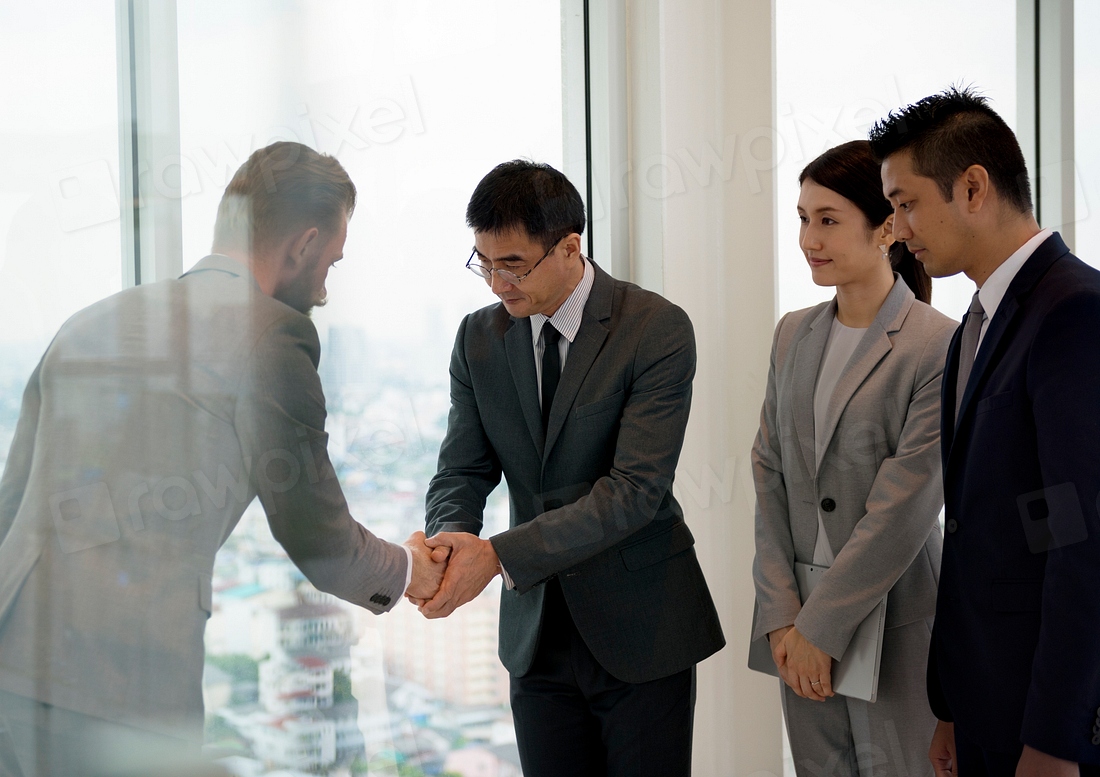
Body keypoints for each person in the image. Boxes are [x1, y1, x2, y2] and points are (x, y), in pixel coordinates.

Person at [0, 142, 446, 776]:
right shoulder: (271, 334)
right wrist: (411, 571)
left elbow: (11, 502)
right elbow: (319, 538)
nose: (324, 285)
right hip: (118, 682)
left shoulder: (90, 320)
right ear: (302, 244)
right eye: (331, 262)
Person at [413, 160, 725, 777]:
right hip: (536, 636)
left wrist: (498, 555)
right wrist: (448, 544)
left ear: (569, 247)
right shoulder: (478, 338)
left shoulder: (655, 328)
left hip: (641, 625)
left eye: (512, 264)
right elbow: (462, 470)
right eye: (483, 262)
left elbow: (635, 492)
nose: (497, 283)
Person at [872, 87, 1100, 776]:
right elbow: (976, 532)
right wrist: (953, 705)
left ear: (973, 187)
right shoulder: (975, 324)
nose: (897, 226)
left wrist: (1056, 741)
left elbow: (1082, 544)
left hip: (1041, 727)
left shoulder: (1074, 312)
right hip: (983, 708)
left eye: (906, 202)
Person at [751, 140, 954, 776]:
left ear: (887, 227)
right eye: (804, 219)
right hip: (797, 628)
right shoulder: (792, 331)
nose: (810, 237)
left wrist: (820, 631)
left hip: (895, 625)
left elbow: (905, 507)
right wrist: (784, 618)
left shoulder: (936, 344)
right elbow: (769, 474)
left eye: (829, 219)